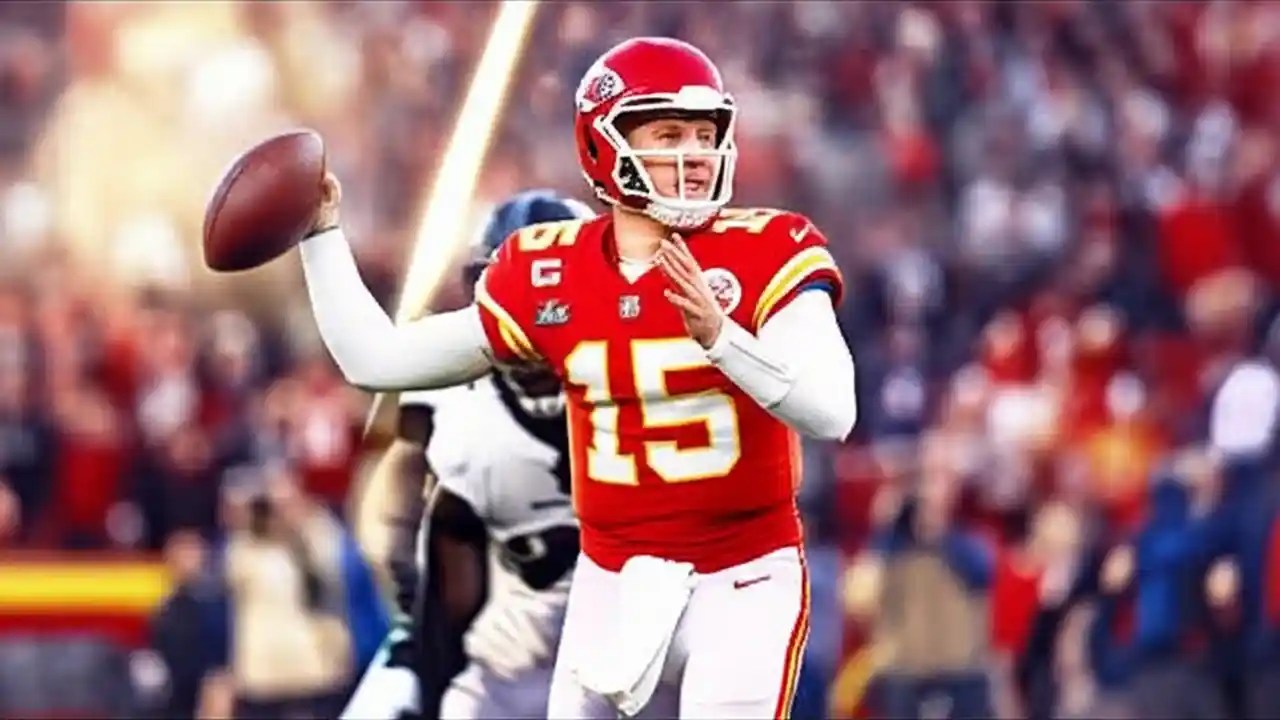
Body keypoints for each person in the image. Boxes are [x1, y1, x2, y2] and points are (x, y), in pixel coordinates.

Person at [298, 36, 856, 718]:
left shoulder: (768, 248)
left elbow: (832, 411)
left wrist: (723, 339)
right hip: (613, 576)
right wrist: (320, 235)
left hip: (740, 573)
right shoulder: (548, 268)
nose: (694, 155)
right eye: (669, 133)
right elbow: (376, 360)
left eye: (706, 134)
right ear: (605, 142)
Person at [341, 190, 593, 720]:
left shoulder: (639, 374)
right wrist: (417, 608)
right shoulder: (447, 390)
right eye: (509, 290)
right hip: (496, 637)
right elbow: (391, 505)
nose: (530, 315)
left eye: (548, 290)